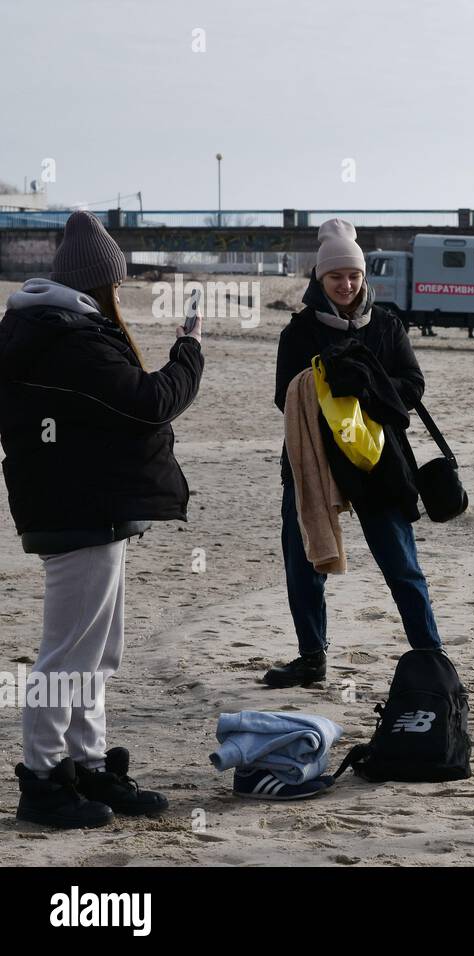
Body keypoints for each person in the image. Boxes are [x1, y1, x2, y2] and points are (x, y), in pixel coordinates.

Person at [0, 211, 204, 828]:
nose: (119, 296)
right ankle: (41, 779)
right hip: (78, 511)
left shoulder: (40, 329)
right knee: (66, 654)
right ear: (97, 285)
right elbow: (150, 401)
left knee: (96, 649)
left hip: (84, 507)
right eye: (115, 286)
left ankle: (87, 765)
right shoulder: (69, 340)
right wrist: (189, 350)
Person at [264, 219, 442, 688]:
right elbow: (286, 396)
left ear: (365, 278)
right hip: (312, 459)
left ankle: (430, 653)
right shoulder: (299, 331)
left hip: (377, 458)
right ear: (319, 280)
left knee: (401, 563)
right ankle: (311, 657)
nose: (346, 285)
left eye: (354, 276)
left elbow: (413, 385)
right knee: (305, 561)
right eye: (336, 277)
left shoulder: (385, 325)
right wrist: (325, 388)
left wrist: (364, 387)